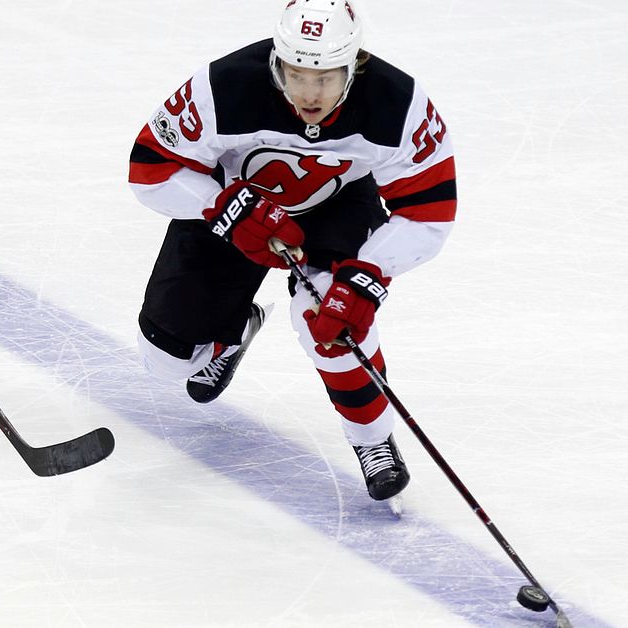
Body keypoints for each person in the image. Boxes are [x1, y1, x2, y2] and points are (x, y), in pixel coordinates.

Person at [128, 0, 456, 502]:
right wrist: (220, 204)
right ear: (277, 59)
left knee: (331, 319)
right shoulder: (224, 86)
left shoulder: (399, 103)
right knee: (165, 360)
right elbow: (150, 168)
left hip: (338, 205)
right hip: (234, 208)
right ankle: (233, 333)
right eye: (296, 74)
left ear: (353, 64)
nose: (309, 93)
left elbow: (429, 210)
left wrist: (368, 273)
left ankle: (373, 440)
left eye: (325, 77)